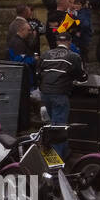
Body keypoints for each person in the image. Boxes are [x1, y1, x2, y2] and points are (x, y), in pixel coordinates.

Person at [38, 21, 87, 158]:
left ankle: (64, 153)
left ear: (56, 41)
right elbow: (82, 76)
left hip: (45, 93)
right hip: (59, 93)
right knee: (59, 127)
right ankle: (54, 161)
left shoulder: (45, 55)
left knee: (53, 123)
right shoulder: (73, 56)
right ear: (69, 42)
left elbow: (38, 73)